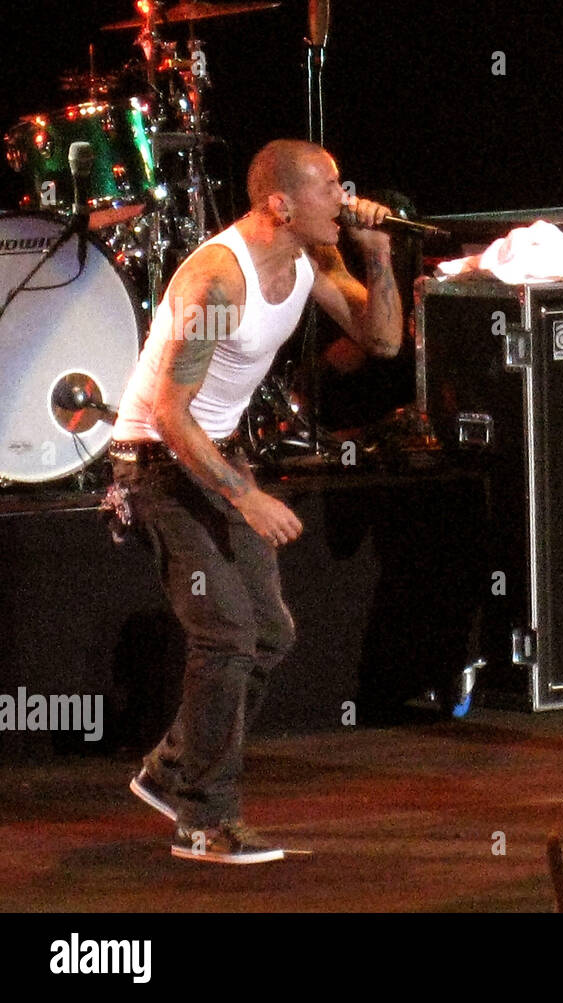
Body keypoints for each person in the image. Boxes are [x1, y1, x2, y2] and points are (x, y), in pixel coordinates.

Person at [111, 138, 403, 863]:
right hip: (153, 461)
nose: (343, 198)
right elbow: (172, 416)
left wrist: (382, 256)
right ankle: (204, 820)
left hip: (212, 452)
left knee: (269, 633)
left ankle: (173, 766)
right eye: (329, 188)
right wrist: (246, 498)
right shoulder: (218, 281)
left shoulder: (311, 260)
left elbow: (385, 340)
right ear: (280, 203)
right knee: (227, 632)